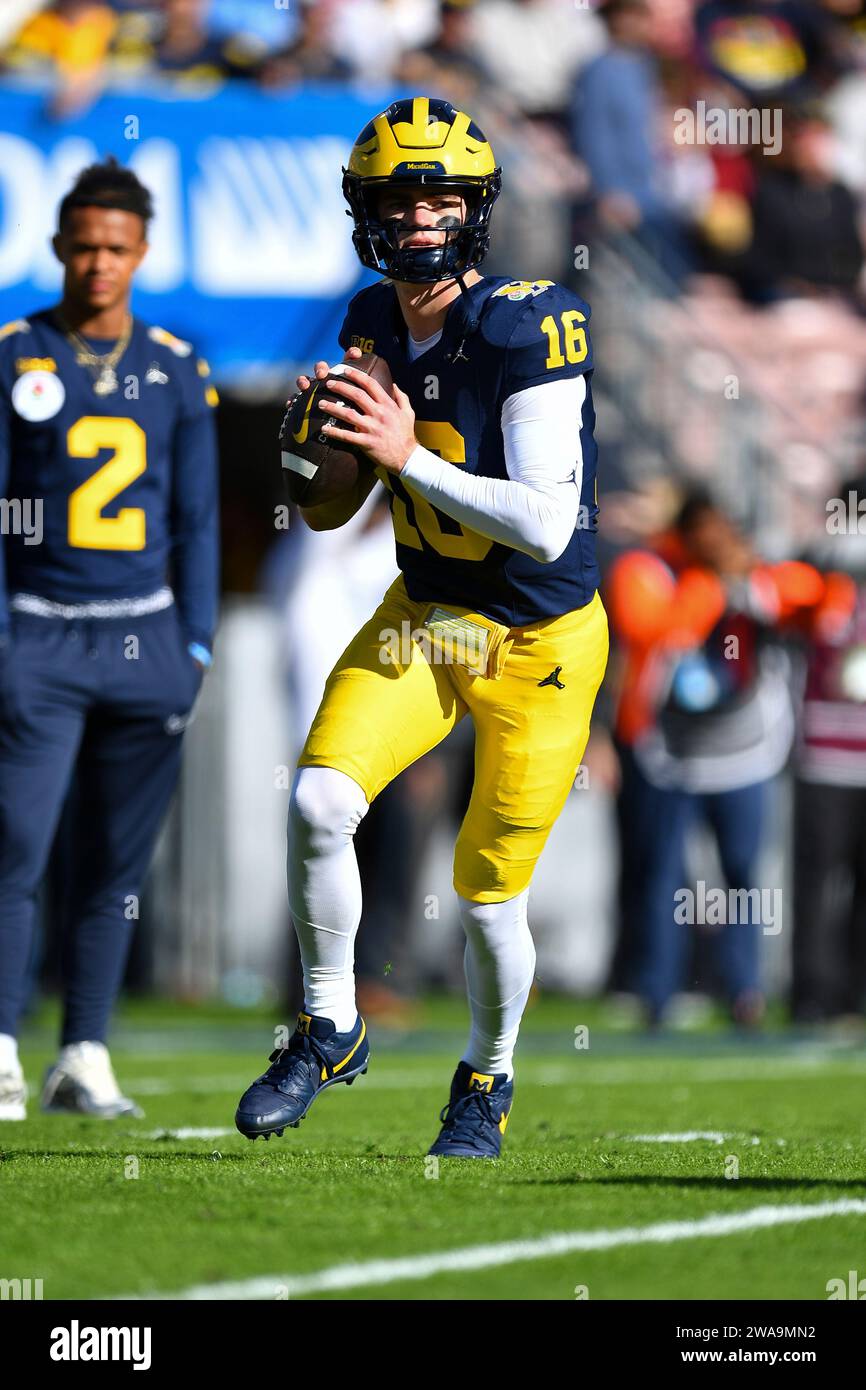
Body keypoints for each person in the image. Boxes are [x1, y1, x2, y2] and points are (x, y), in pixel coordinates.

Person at [235, 96, 608, 1158]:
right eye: (398, 198)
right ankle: (329, 1024)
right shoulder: (369, 320)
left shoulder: (527, 322)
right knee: (317, 798)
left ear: (476, 209)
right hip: (428, 616)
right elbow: (329, 509)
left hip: (538, 639)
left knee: (486, 900)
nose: (417, 218)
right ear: (365, 210)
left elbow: (542, 525)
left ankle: (484, 1079)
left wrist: (403, 454)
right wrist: (320, 446)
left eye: (439, 195)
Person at [0, 159, 219, 1121]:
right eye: (84, 245)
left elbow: (198, 519)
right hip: (41, 638)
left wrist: (198, 646)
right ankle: (2, 1049)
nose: (98, 263)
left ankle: (83, 1054)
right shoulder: (16, 352)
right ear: (57, 246)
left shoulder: (175, 365)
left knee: (115, 869)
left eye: (116, 248)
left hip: (145, 644)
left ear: (142, 252)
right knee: (16, 847)